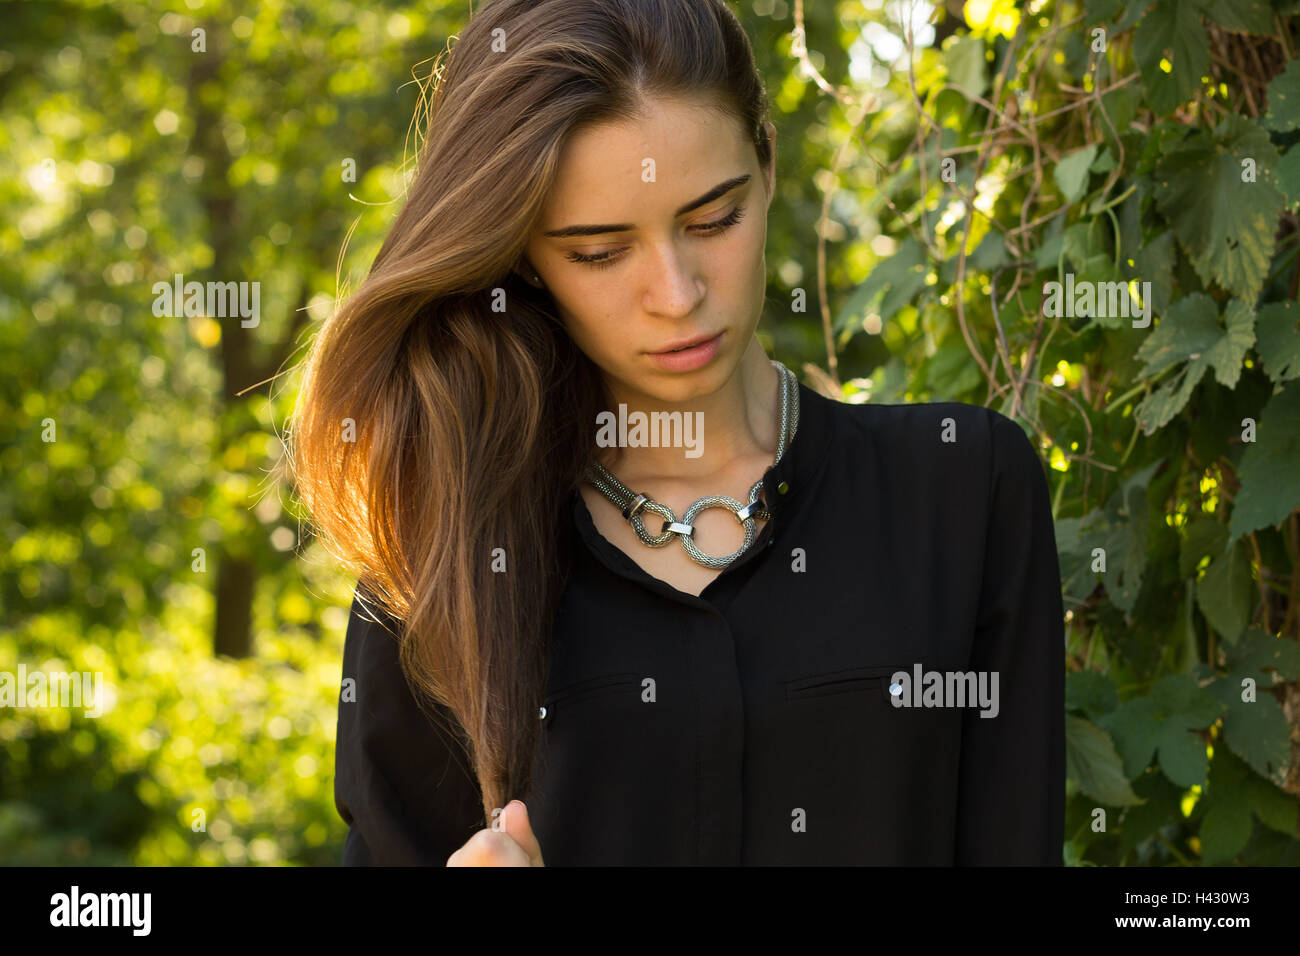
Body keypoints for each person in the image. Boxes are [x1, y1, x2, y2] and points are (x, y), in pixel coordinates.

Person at [287, 0, 1065, 866]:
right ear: (523, 260)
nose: (678, 293)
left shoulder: (964, 489)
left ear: (767, 163)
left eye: (713, 220)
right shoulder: (439, 549)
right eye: (600, 252)